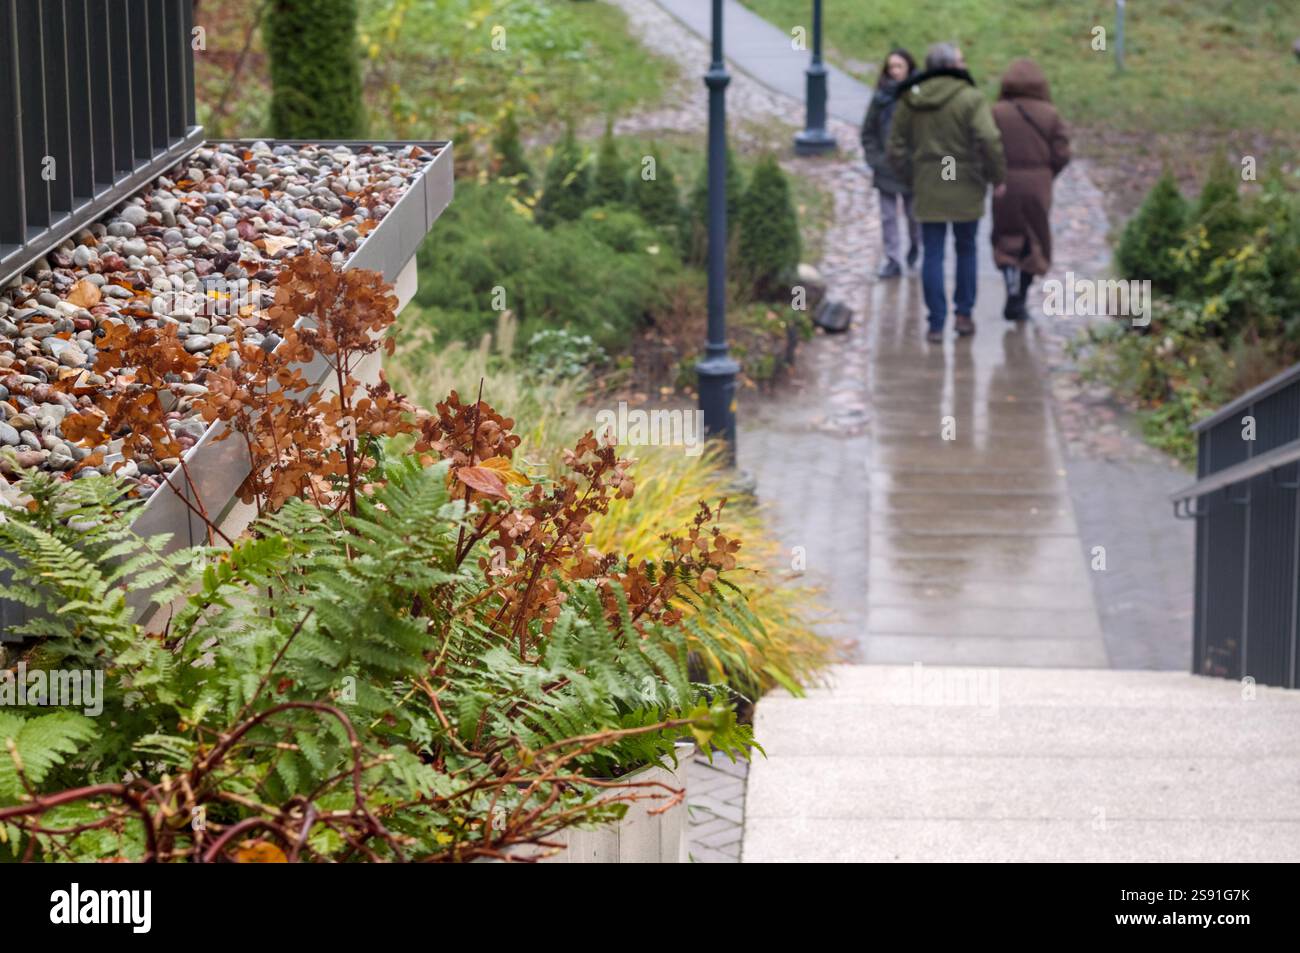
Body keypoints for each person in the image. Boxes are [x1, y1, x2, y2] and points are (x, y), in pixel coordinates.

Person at [887, 42, 1005, 343]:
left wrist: (912, 175)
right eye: (961, 60)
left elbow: (895, 147)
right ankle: (964, 314)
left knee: (933, 252)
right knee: (966, 249)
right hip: (964, 181)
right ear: (951, 65)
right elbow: (989, 138)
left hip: (929, 182)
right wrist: (996, 176)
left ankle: (936, 323)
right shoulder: (970, 97)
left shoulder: (912, 99)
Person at [990, 58, 1070, 321]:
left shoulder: (997, 112)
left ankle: (1009, 280)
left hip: (1006, 182)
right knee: (1033, 238)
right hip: (1038, 184)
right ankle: (1020, 298)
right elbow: (1062, 152)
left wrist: (993, 175)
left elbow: (987, 146)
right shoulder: (1050, 114)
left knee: (1005, 235)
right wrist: (1047, 174)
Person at [860, 48, 919, 279]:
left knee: (914, 216)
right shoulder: (881, 98)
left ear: (909, 69)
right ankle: (892, 259)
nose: (894, 71)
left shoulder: (919, 96)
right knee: (888, 217)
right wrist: (875, 159)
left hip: (911, 169)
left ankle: (916, 247)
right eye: (891, 67)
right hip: (885, 168)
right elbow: (868, 132)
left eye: (899, 66)